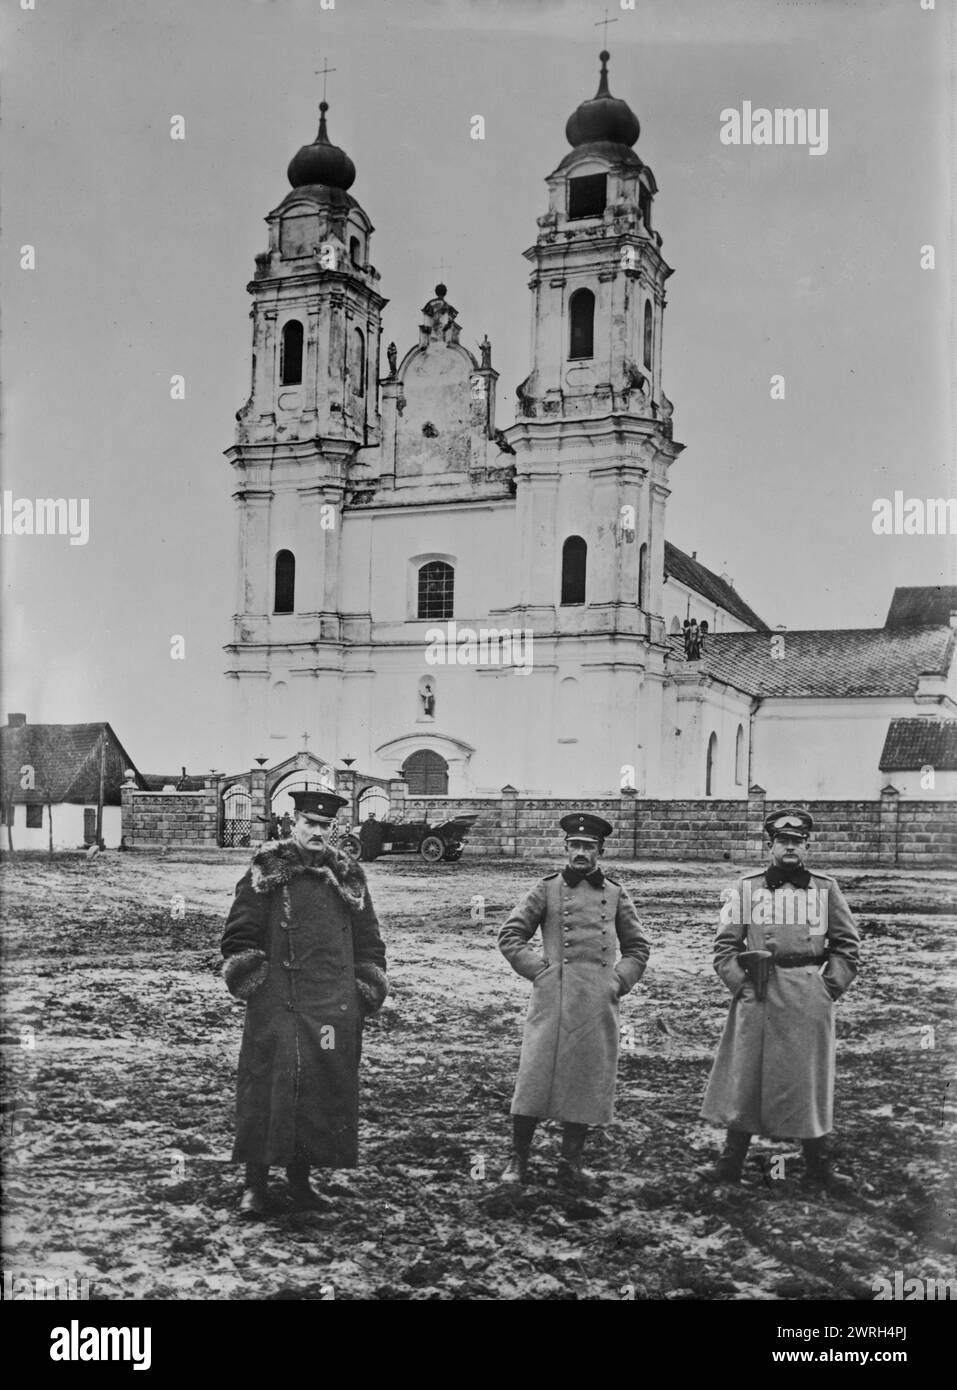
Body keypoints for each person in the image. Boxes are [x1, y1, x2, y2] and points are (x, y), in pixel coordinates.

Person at [221, 790, 388, 1219]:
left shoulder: (348, 875)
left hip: (332, 1008)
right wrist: (257, 982)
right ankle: (255, 1186)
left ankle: (301, 1182)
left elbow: (368, 940)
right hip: (279, 1003)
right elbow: (239, 935)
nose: (317, 832)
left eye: (325, 826)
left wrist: (364, 987)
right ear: (293, 823)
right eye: (309, 824)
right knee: (266, 1089)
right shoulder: (267, 870)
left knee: (319, 1093)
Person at [700, 808, 861, 1192]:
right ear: (770, 845)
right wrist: (742, 986)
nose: (790, 847)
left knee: (808, 1080)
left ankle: (818, 1168)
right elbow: (724, 947)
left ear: (807, 845)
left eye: (797, 841)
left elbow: (847, 946)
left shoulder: (825, 889)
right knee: (746, 1078)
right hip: (758, 994)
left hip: (807, 996)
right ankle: (730, 1163)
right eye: (783, 841)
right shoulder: (746, 889)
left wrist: (828, 989)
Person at [498, 811, 650, 1188]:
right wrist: (540, 971)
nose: (581, 853)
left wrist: (617, 981)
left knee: (585, 1079)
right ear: (566, 848)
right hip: (553, 997)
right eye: (576, 846)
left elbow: (638, 947)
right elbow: (511, 934)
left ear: (600, 850)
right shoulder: (547, 888)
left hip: (596, 1001)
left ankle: (571, 1161)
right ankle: (518, 1158)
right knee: (534, 1076)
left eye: (589, 847)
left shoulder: (615, 893)